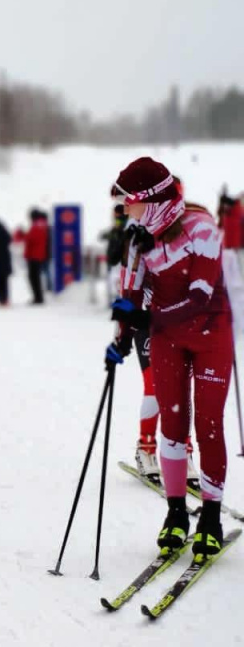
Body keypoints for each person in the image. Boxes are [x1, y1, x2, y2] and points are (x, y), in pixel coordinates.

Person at [108, 157, 233, 557]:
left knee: (209, 424)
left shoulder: (202, 229)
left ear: (151, 199)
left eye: (129, 201)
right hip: (167, 339)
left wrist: (145, 316)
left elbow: (198, 298)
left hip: (210, 335)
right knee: (174, 424)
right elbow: (130, 294)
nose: (123, 208)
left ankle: (211, 517)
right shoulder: (138, 238)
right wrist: (121, 336)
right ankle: (176, 514)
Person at [24, 209, 48, 304]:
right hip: (37, 255)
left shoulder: (37, 226)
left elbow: (31, 239)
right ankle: (38, 297)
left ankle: (38, 298)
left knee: (33, 277)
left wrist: (26, 236)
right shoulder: (41, 225)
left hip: (34, 255)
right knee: (35, 277)